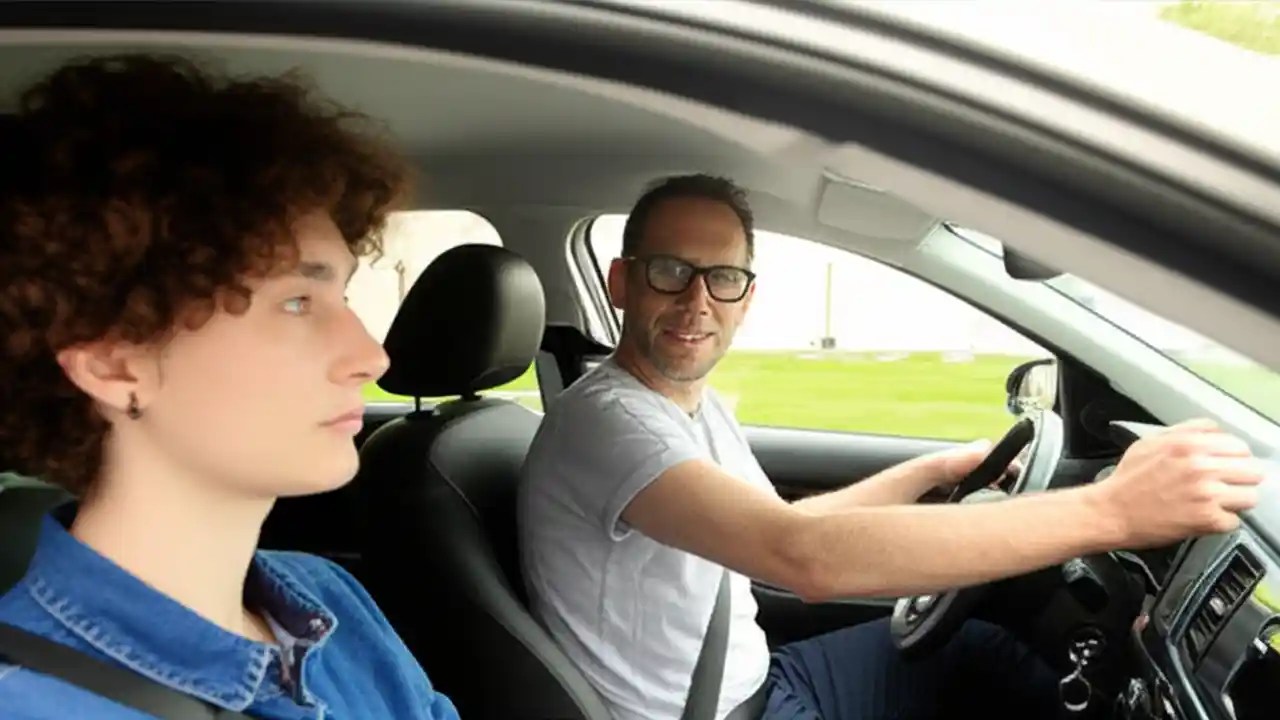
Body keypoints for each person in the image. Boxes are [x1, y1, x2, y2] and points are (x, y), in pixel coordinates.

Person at [516, 174, 1263, 720]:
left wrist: (933, 471)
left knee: (975, 654)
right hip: (712, 712)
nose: (697, 301)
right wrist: (1116, 511)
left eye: (723, 277)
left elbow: (782, 525)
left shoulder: (677, 406)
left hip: (757, 681)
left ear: (747, 297)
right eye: (671, 271)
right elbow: (800, 556)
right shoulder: (608, 424)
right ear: (622, 282)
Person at [0, 54, 459, 719]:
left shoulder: (329, 602)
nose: (371, 355)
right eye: (299, 302)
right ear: (114, 362)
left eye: (345, 293)